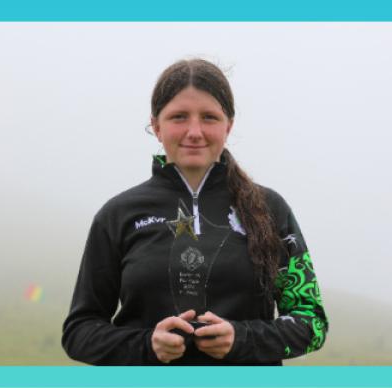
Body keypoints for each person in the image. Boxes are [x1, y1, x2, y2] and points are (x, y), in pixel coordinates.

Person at [62, 58, 327, 365]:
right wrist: (147, 345)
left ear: (229, 126)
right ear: (156, 126)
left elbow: (313, 323)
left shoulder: (269, 209)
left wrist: (242, 339)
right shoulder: (118, 215)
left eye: (209, 118)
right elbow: (79, 333)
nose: (194, 131)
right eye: (179, 117)